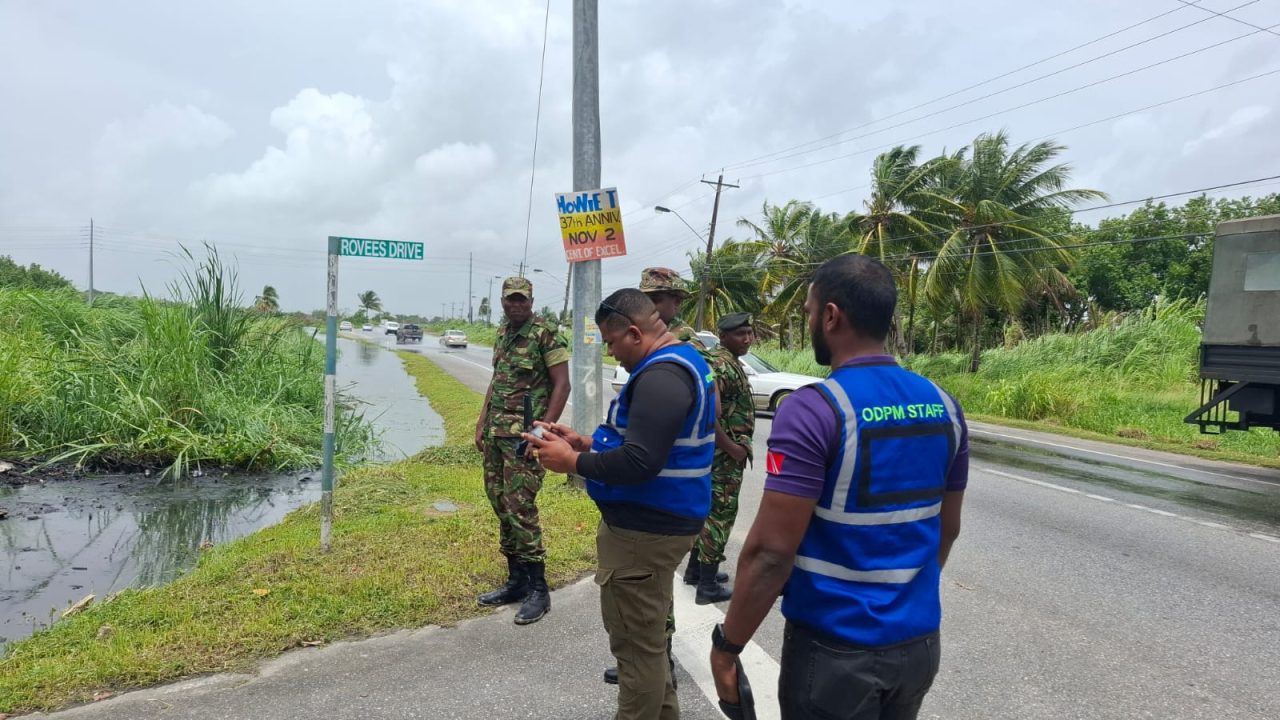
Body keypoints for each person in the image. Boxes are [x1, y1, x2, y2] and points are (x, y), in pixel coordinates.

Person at [709, 255, 969, 720]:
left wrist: (728, 648)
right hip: (918, 646)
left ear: (831, 316)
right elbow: (947, 529)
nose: (810, 321)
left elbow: (770, 554)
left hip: (834, 655)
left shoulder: (815, 409)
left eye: (809, 312)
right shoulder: (944, 405)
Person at [525, 288, 716, 720]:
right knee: (647, 646)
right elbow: (651, 442)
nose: (611, 353)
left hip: (643, 534)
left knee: (636, 653)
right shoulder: (684, 361)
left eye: (611, 343)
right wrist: (587, 442)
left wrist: (572, 461)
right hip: (660, 524)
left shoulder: (661, 376)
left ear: (633, 332)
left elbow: (641, 460)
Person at [474, 276, 570, 625]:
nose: (516, 304)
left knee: (521, 507)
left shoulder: (545, 333)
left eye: (521, 299)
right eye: (510, 299)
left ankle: (538, 589)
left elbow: (562, 383)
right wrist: (481, 421)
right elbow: (496, 379)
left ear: (531, 301)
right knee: (499, 501)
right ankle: (515, 580)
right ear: (502, 300)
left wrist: (542, 430)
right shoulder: (502, 332)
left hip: (524, 440)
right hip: (497, 436)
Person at [684, 312, 756, 605]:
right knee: (720, 516)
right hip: (723, 457)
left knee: (710, 513)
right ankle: (708, 586)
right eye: (741, 334)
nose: (748, 339)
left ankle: (696, 571)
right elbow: (707, 415)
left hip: (721, 455)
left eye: (750, 333)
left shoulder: (726, 362)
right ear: (723, 336)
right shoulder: (722, 366)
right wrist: (731, 448)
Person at [639, 267, 706, 350]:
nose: (646, 306)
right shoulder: (642, 333)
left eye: (654, 300)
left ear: (677, 302)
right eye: (644, 300)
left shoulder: (686, 342)